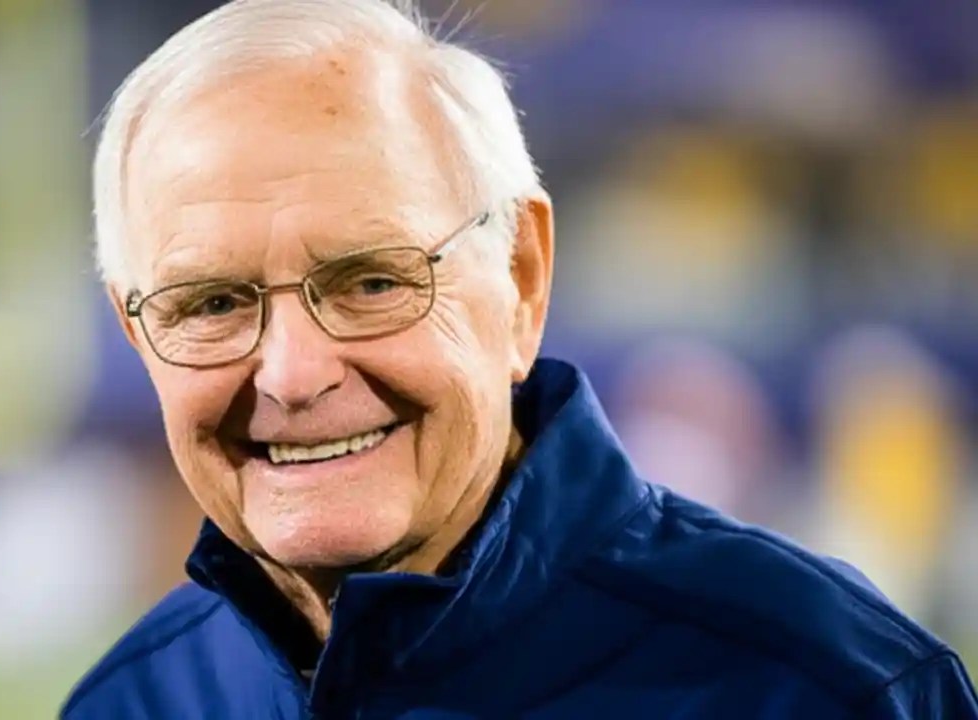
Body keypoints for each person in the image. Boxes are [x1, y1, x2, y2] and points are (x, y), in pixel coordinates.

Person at [62, 1, 978, 717]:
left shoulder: (828, 690)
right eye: (213, 304)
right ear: (138, 334)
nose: (294, 376)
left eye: (373, 283)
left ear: (521, 278)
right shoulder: (130, 702)